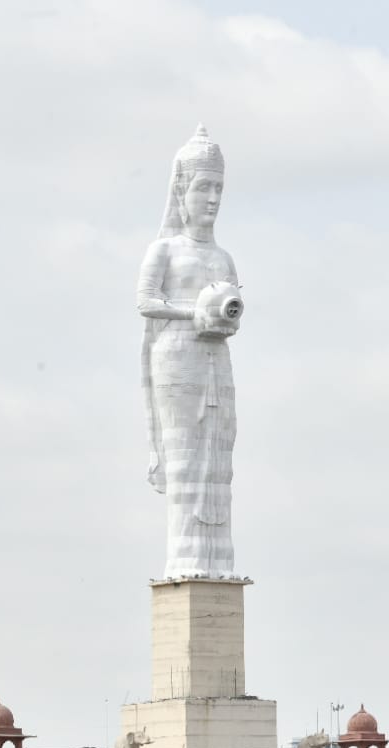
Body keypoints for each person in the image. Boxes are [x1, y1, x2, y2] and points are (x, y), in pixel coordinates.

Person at [137, 124, 242, 580]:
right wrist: (194, 311)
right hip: (177, 356)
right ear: (182, 189)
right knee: (184, 456)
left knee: (218, 454)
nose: (212, 199)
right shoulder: (164, 249)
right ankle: (184, 555)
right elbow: (145, 302)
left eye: (218, 188)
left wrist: (222, 317)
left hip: (215, 358)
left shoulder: (222, 258)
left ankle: (218, 555)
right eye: (204, 187)